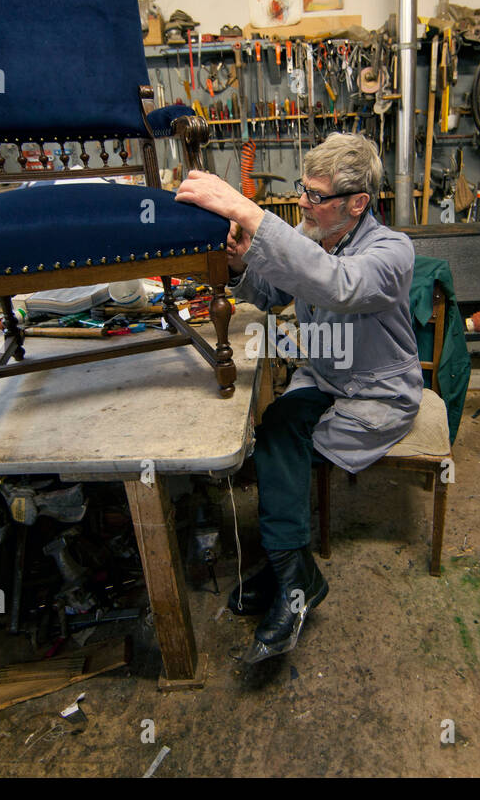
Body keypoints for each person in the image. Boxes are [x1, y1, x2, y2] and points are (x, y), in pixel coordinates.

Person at [175, 132, 421, 663]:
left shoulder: (391, 251)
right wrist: (243, 262)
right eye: (302, 190)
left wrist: (247, 209)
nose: (303, 203)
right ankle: (293, 568)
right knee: (276, 429)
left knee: (277, 448)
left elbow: (340, 286)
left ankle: (288, 572)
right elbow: (272, 293)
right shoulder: (316, 240)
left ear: (357, 203)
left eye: (315, 195)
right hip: (328, 380)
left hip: (377, 392)